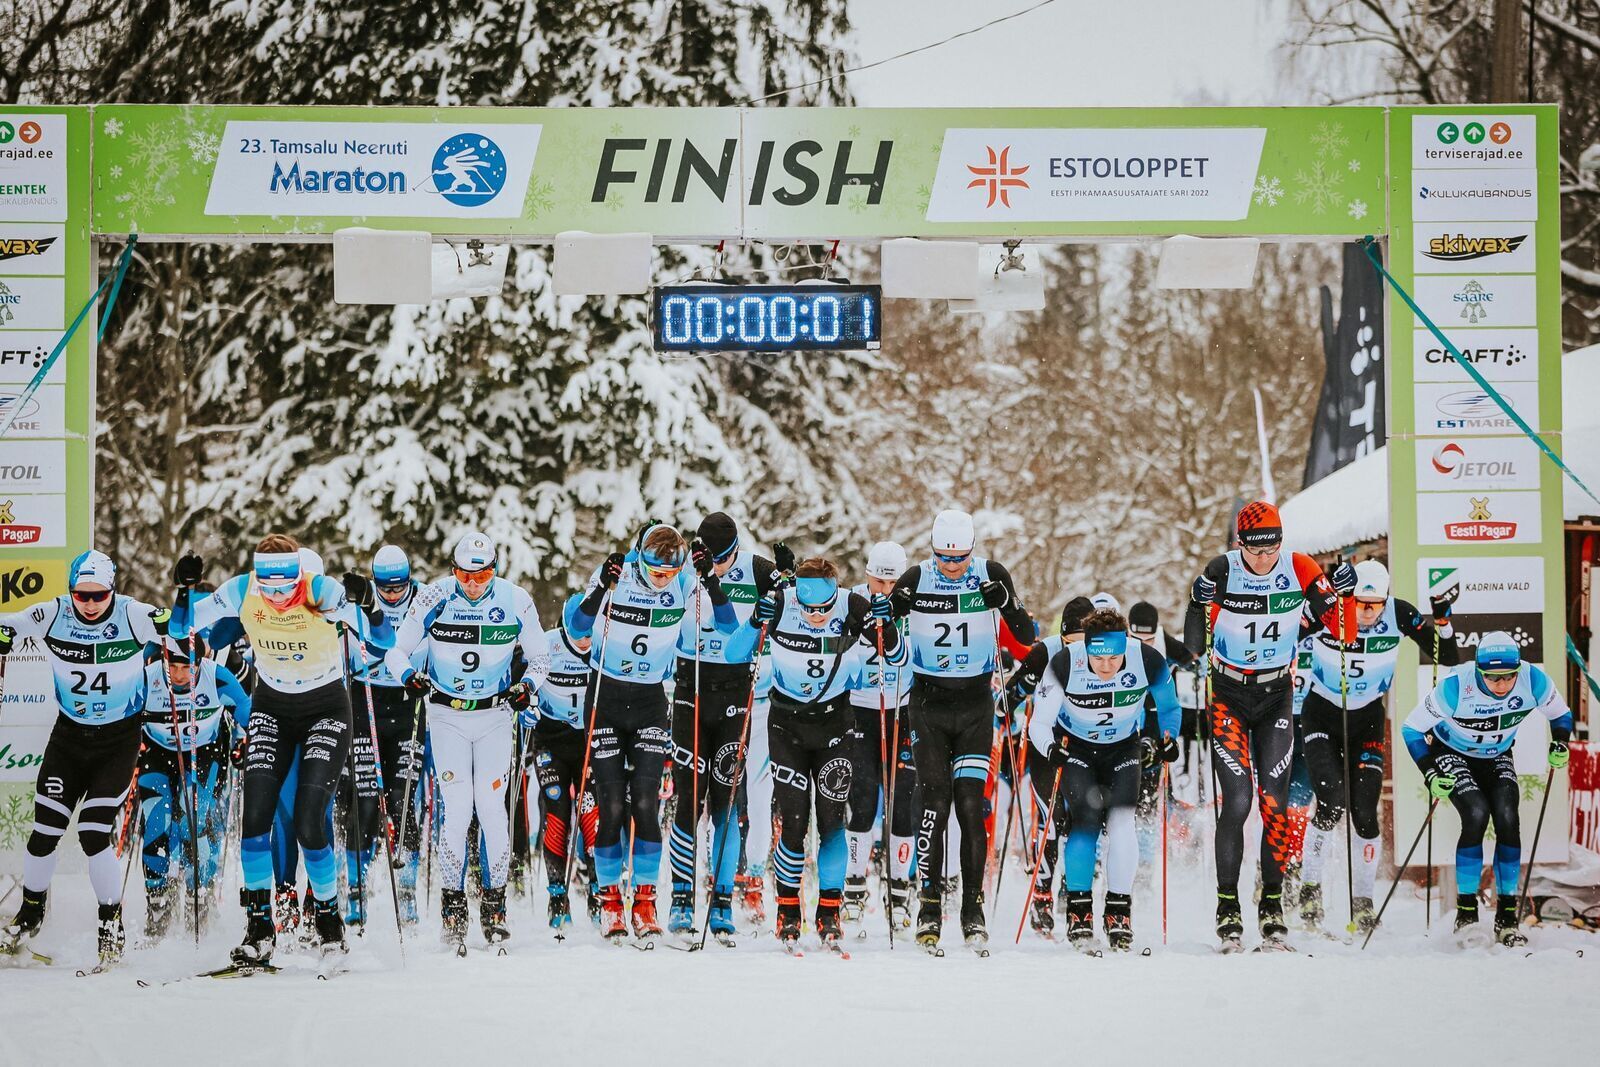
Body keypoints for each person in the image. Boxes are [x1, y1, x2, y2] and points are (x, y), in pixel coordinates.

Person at [170, 533, 392, 966]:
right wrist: (185, 590)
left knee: (310, 820)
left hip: (325, 709)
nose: (275, 598)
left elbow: (381, 641)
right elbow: (182, 629)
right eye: (267, 588)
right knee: (255, 819)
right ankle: (259, 928)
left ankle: (330, 925)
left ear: (299, 577)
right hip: (271, 707)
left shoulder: (320, 592)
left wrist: (368, 606)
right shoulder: (242, 589)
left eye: (284, 588)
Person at [1184, 501, 1353, 949]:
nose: (1263, 559)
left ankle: (1272, 906)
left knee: (1274, 805)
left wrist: (1344, 595)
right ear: (1240, 544)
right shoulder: (1222, 569)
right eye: (1254, 551)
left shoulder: (1298, 567)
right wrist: (1195, 600)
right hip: (1229, 697)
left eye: (1271, 548)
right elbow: (1195, 644)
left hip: (1277, 696)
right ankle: (1227, 906)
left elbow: (1345, 631)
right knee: (1237, 802)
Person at [566, 522, 736, 942]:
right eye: (656, 573)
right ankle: (609, 901)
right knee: (611, 805)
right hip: (605, 696)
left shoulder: (684, 584)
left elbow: (729, 625)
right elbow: (576, 627)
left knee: (645, 803)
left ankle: (644, 902)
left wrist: (710, 580)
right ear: (640, 561)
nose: (663, 582)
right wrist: (600, 590)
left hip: (648, 702)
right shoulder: (618, 572)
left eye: (669, 575)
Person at [0, 551, 166, 965]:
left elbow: (177, 629)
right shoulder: (54, 613)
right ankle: (30, 914)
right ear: (70, 590)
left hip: (118, 739)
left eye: (99, 596)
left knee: (94, 832)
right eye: (82, 595)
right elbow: (14, 623)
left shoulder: (131, 614)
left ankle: (110, 922)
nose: (90, 604)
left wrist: (173, 615)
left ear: (113, 590)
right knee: (45, 829)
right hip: (69, 738)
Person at [726, 557, 902, 948]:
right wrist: (757, 619)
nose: (817, 615)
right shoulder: (781, 600)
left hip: (835, 726)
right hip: (786, 727)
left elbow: (898, 655)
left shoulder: (851, 606)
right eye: (809, 608)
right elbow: (732, 653)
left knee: (831, 821)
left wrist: (885, 624)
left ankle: (829, 912)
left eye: (824, 608)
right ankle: (788, 910)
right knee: (792, 820)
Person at [384, 532, 547, 952]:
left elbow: (541, 655)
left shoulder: (515, 599)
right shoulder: (434, 595)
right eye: (464, 575)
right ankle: (453, 908)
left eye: (483, 575)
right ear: (453, 570)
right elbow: (395, 652)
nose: (473, 584)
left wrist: (527, 684)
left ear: (495, 570)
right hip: (446, 715)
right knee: (457, 809)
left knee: (491, 808)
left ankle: (494, 907)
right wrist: (408, 677)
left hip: (494, 715)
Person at [890, 508, 1036, 950]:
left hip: (974, 704)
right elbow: (884, 629)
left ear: (971, 550)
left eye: (959, 560)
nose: (951, 568)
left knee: (973, 805)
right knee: (933, 800)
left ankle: (972, 907)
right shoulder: (916, 578)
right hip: (928, 704)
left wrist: (1005, 602)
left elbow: (1026, 633)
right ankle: (929, 905)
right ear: (932, 550)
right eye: (943, 559)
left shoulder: (990, 573)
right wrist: (889, 611)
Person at [1297, 559, 1458, 933]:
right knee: (1331, 800)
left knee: (1365, 811)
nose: (1368, 612)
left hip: (1366, 717)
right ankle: (1310, 887)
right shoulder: (1331, 609)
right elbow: (1291, 633)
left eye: (1376, 604)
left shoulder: (1399, 613)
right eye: (1361, 604)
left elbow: (1446, 656)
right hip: (1322, 713)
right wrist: (1322, 602)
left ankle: (1364, 901)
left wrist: (1444, 621)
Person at [1401, 631, 1572, 947]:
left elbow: (1561, 714)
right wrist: (1429, 773)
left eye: (1509, 677)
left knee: (1508, 816)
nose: (1502, 685)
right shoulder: (1455, 687)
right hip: (1451, 751)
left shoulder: (1533, 680)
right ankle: (1466, 913)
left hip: (1496, 754)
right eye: (1493, 679)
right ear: (1479, 671)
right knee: (1477, 813)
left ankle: (1507, 918)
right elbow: (1411, 728)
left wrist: (1560, 741)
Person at [1030, 608, 1180, 950]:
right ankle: (1079, 911)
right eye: (1099, 659)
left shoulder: (1147, 659)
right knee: (1085, 821)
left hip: (1123, 749)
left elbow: (1169, 708)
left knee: (1123, 822)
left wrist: (1169, 738)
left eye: (1115, 658)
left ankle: (1118, 910)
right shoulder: (1066, 663)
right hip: (1078, 749)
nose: (1107, 666)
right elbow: (1039, 723)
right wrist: (1050, 748)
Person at [666, 514, 786, 939]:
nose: (716, 566)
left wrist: (785, 577)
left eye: (724, 558)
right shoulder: (684, 569)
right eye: (712, 559)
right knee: (687, 801)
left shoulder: (754, 569)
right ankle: (681, 898)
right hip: (690, 686)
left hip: (735, 690)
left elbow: (738, 625)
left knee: (728, 804)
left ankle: (720, 902)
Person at [138, 635, 251, 939]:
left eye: (187, 668)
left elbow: (246, 709)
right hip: (159, 752)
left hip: (201, 752)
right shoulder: (147, 678)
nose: (178, 675)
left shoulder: (216, 676)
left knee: (194, 822)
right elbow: (123, 715)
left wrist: (245, 739)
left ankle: (199, 895)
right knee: (156, 824)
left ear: (199, 663)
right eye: (172, 666)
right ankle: (157, 900)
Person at [342, 544, 429, 929]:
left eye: (399, 587)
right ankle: (356, 890)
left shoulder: (425, 598)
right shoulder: (358, 600)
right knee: (363, 801)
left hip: (409, 702)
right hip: (366, 700)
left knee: (403, 798)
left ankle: (406, 887)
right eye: (385, 588)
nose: (392, 595)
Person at [1005, 595, 1093, 936]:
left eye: (1083, 645)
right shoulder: (1045, 652)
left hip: (1087, 745)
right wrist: (1021, 688)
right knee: (1052, 821)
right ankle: (1041, 896)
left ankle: (1073, 895)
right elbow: (1005, 700)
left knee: (1082, 820)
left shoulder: (1106, 652)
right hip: (1046, 744)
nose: (1076, 653)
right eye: (1071, 643)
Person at [844, 541, 917, 930]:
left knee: (902, 799)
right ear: (867, 573)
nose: (884, 589)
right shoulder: (853, 600)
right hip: (861, 708)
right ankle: (854, 884)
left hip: (901, 710)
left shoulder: (912, 601)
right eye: (878, 580)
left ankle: (901, 887)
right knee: (863, 795)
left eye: (892, 581)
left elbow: (906, 655)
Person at [529, 596, 599, 931]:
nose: (585, 640)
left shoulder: (603, 643)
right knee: (557, 809)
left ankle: (600, 893)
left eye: (589, 633)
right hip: (551, 740)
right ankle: (557, 895)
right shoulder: (547, 645)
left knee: (590, 814)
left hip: (588, 741)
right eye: (578, 634)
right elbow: (522, 676)